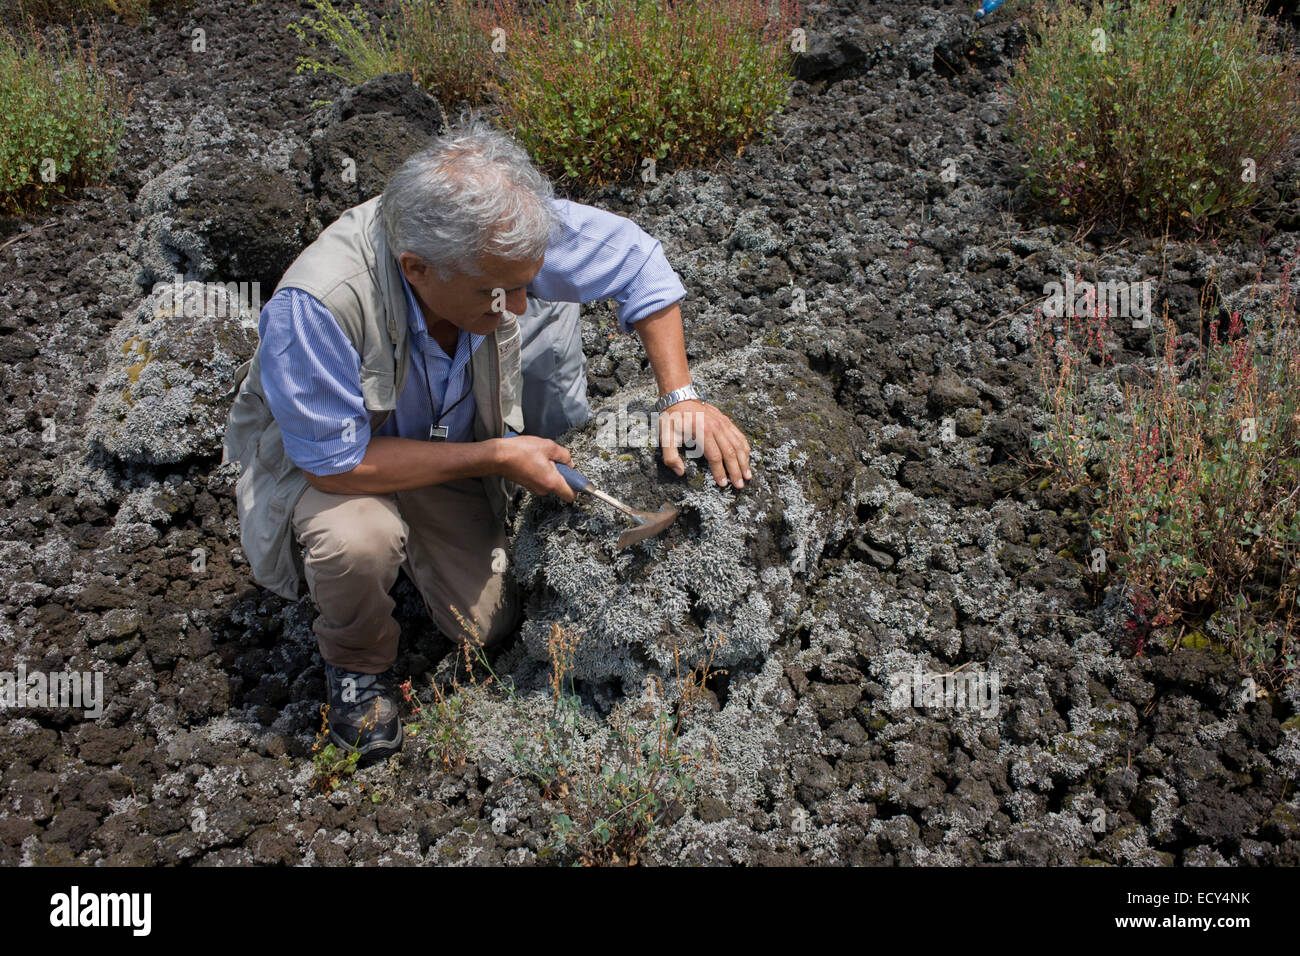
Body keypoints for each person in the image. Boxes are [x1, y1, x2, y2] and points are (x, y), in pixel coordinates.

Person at [222, 114, 752, 762]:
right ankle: (358, 662)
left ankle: (421, 550)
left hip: (438, 447)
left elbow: (638, 260)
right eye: (500, 294)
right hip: (340, 466)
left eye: (529, 283)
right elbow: (337, 464)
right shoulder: (320, 304)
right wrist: (497, 455)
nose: (522, 307)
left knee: (491, 625)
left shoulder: (499, 235)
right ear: (417, 268)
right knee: (359, 540)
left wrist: (681, 398)